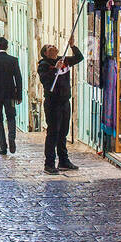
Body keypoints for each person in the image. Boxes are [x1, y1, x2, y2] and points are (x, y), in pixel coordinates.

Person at [38, 36, 84, 174]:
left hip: (65, 102)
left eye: (53, 44)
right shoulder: (44, 65)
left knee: (63, 132)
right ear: (46, 53)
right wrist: (54, 70)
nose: (53, 46)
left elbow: (79, 58)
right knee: (53, 133)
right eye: (49, 46)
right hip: (53, 103)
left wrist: (72, 46)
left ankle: (63, 161)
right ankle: (49, 164)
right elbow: (45, 81)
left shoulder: (64, 60)